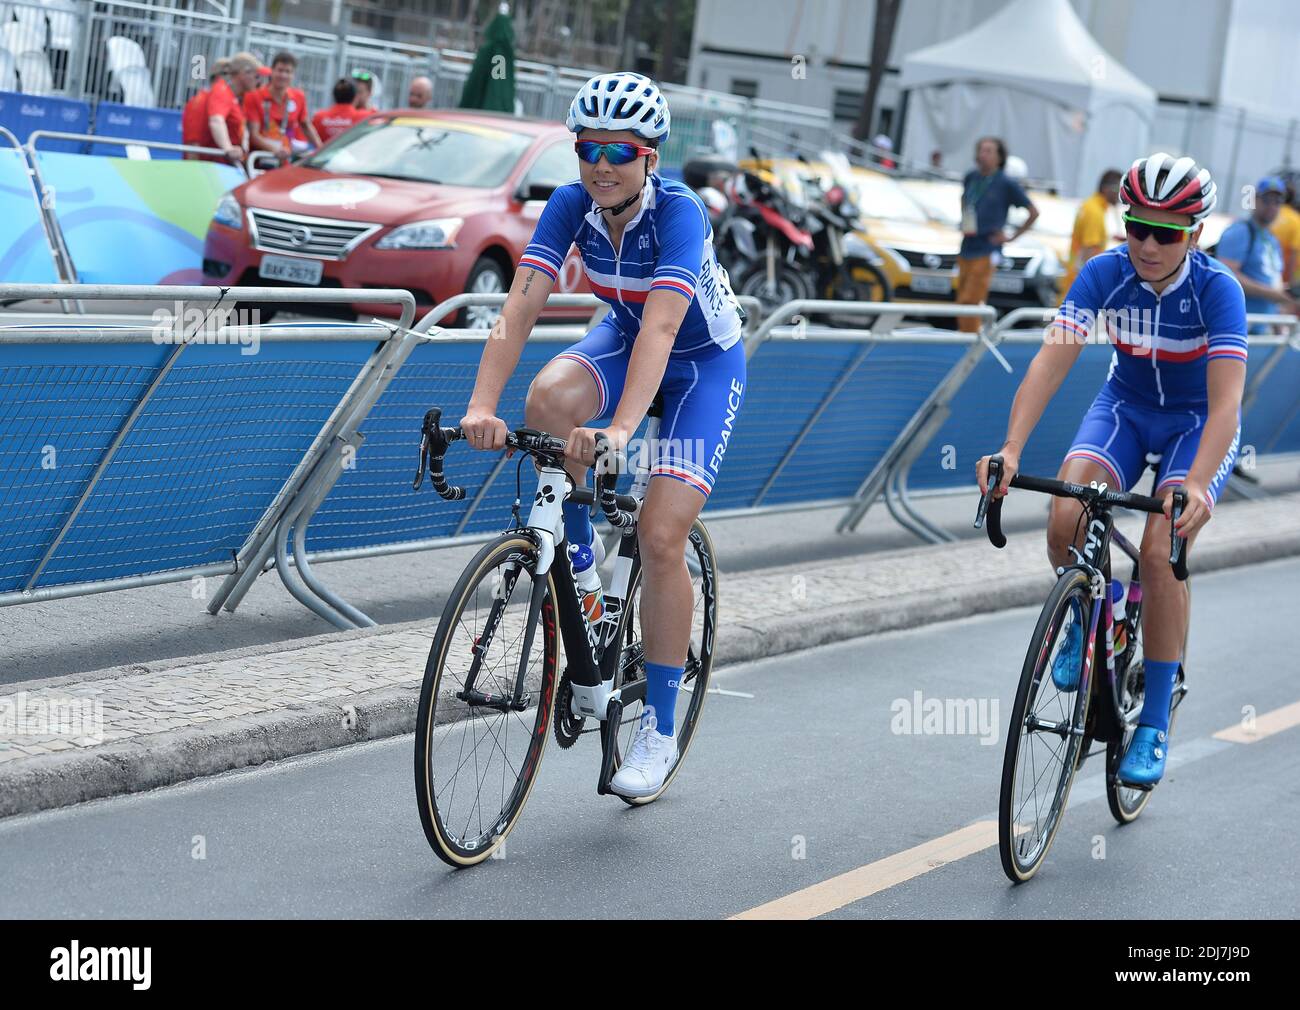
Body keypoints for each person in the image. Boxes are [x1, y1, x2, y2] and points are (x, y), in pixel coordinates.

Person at [459, 72, 746, 798]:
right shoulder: (569, 205)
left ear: (651, 155)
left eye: (620, 149)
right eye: (588, 147)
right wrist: (482, 404)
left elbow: (663, 325)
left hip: (699, 367)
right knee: (548, 401)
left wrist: (621, 429)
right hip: (623, 340)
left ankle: (658, 729)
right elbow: (518, 308)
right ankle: (584, 577)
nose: (602, 164)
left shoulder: (680, 214)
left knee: (659, 535)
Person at [977, 153, 1248, 787]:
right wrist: (1012, 449)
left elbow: (1228, 403)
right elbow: (1050, 361)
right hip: (1125, 407)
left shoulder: (1217, 290)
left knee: (1159, 553)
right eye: (1137, 228)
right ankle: (1084, 616)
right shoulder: (1105, 273)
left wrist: (1199, 486)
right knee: (1065, 515)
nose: (1149, 245)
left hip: (1194, 423)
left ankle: (1153, 720)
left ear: (1195, 234)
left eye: (1167, 233)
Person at [955, 137, 1039, 332]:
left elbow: (1033, 212)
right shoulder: (971, 177)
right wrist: (965, 220)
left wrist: (1011, 237)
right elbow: (964, 200)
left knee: (971, 298)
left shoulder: (1005, 183)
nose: (982, 155)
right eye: (981, 150)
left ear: (999, 157)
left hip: (987, 246)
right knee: (961, 296)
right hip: (967, 243)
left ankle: (969, 339)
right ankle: (965, 334)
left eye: (989, 151)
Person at [1216, 175, 1297, 330]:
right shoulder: (1240, 231)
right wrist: (1272, 294)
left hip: (1262, 329)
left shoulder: (1272, 240)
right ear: (1254, 200)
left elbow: (1274, 280)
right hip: (1237, 327)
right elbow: (1226, 275)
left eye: (1277, 201)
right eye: (1267, 199)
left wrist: (1281, 311)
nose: (1272, 206)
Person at [244, 51, 322, 159]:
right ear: (272, 71)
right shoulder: (254, 96)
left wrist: (321, 149)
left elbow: (306, 125)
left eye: (288, 72)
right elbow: (254, 134)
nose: (283, 75)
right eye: (280, 70)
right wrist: (275, 149)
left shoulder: (298, 96)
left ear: (293, 75)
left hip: (284, 159)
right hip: (258, 159)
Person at [1060, 168, 1122, 295]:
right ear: (1106, 188)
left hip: (1075, 280)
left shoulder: (1090, 206)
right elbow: (1089, 251)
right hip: (1080, 285)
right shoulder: (1095, 212)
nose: (1120, 194)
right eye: (1117, 189)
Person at [194, 51, 259, 164]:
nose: (257, 81)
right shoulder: (222, 91)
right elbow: (216, 121)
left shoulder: (236, 97)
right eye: (256, 76)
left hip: (226, 166)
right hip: (216, 168)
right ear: (244, 73)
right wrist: (228, 148)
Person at [181, 57, 229, 157]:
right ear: (219, 77)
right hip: (203, 167)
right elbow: (193, 144)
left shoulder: (225, 100)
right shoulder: (201, 101)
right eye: (231, 75)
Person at [1268, 175, 1300, 296]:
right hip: (1282, 283)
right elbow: (1293, 254)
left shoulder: (1270, 214)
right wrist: (1290, 287)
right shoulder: (1296, 220)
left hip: (1267, 278)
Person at [312, 78, 367, 144]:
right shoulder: (364, 117)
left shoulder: (319, 117)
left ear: (334, 95)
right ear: (355, 97)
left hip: (325, 153)